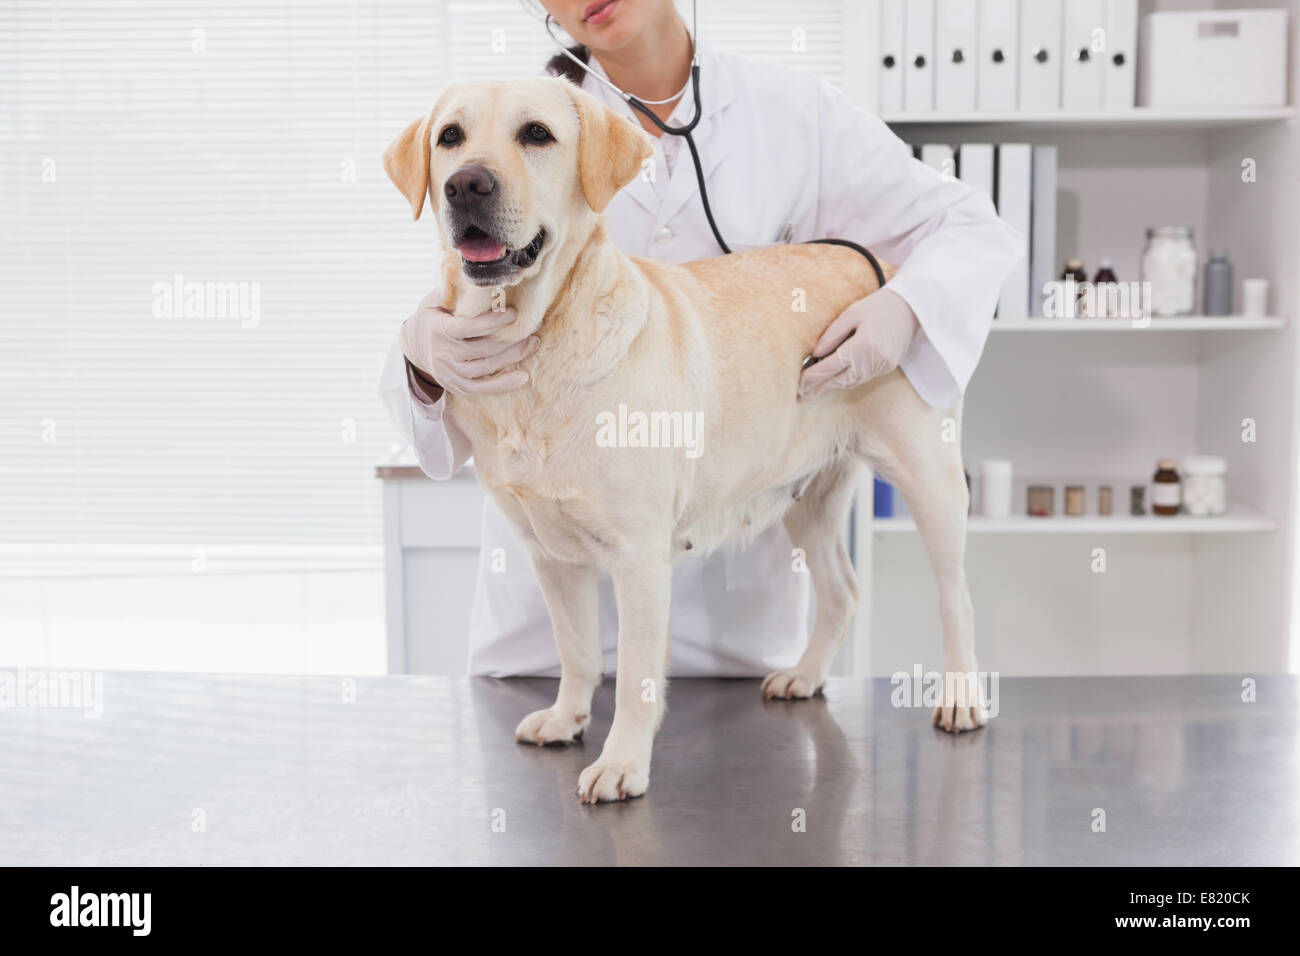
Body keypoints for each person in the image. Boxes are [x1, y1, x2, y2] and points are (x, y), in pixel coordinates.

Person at [380, 0, 1022, 678]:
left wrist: (905, 307)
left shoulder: (795, 116)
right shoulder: (503, 122)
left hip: (734, 642)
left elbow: (972, 229)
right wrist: (422, 360)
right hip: (538, 651)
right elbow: (444, 439)